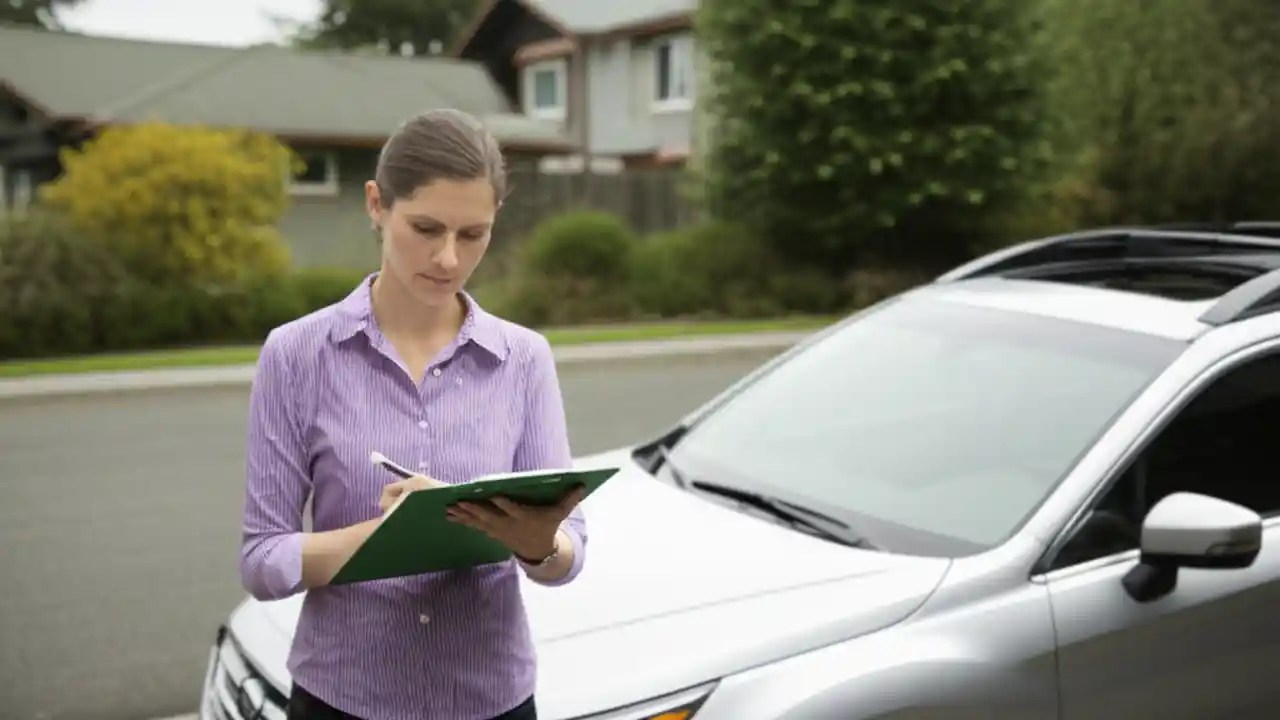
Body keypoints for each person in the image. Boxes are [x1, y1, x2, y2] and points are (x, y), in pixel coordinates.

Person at [238, 108, 588, 720]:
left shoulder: (524, 359)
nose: (448, 259)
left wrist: (539, 547)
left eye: (472, 234)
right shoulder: (295, 354)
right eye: (425, 228)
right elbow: (263, 563)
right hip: (343, 699)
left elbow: (566, 554)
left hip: (491, 701)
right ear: (377, 204)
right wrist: (393, 537)